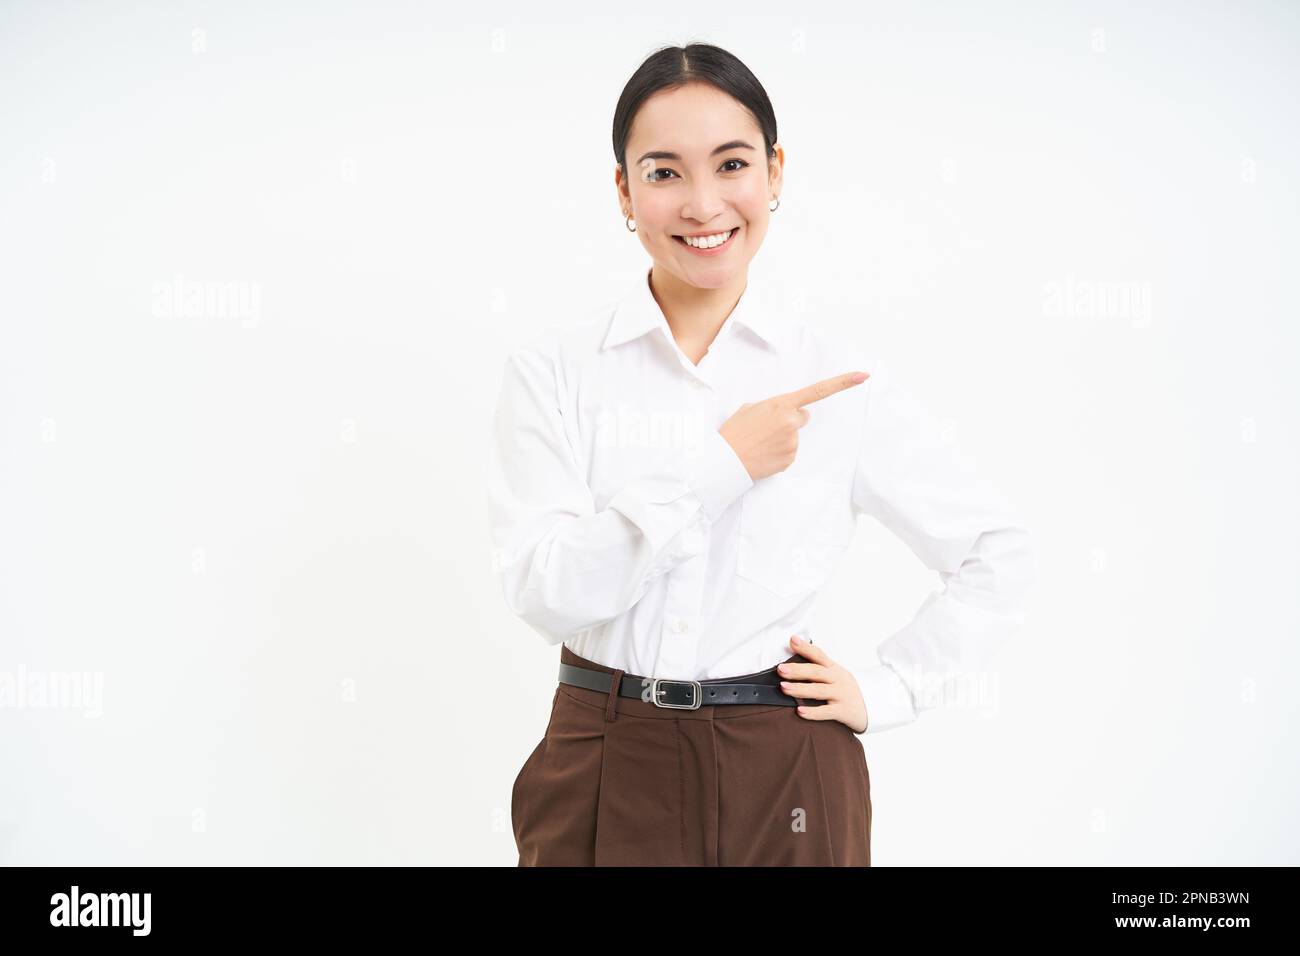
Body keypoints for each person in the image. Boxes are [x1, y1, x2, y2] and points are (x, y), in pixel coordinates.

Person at [486, 42, 1036, 866]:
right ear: (624, 190)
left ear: (774, 173)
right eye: (665, 172)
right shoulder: (555, 374)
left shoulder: (836, 381)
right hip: (600, 756)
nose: (704, 204)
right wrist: (721, 467)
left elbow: (998, 551)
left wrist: (890, 690)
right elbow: (546, 591)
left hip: (785, 770)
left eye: (732, 164)